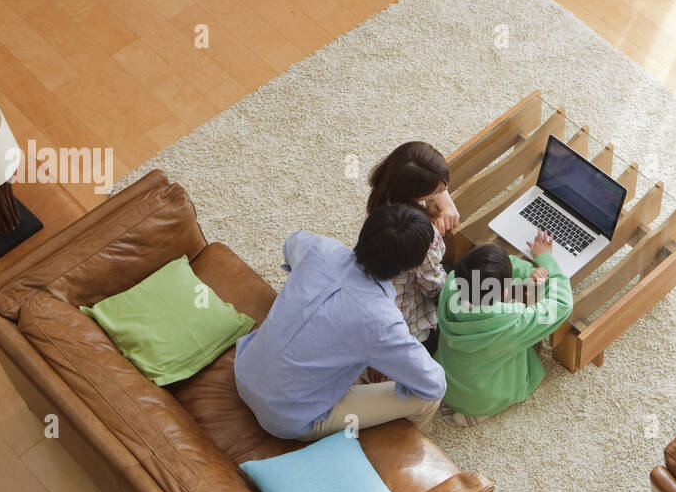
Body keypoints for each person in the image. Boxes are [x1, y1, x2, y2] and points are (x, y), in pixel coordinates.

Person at [234, 205, 446, 441]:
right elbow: (433, 384)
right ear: (411, 266)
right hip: (286, 418)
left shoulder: (319, 248)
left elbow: (290, 243)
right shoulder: (383, 322)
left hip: (243, 370)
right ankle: (409, 449)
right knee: (427, 399)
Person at [434, 229, 573, 425]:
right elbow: (562, 303)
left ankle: (461, 403)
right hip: (481, 399)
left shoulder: (452, 283)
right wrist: (545, 260)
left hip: (444, 380)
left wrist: (528, 272)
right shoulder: (512, 324)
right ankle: (476, 412)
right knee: (531, 357)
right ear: (507, 290)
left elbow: (487, 268)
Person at [365, 141, 459, 352]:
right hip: (408, 320)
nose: (444, 190)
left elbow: (423, 170)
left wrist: (448, 206)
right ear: (414, 193)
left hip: (379, 293)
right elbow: (434, 287)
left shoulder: (382, 196)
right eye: (437, 189)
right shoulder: (421, 236)